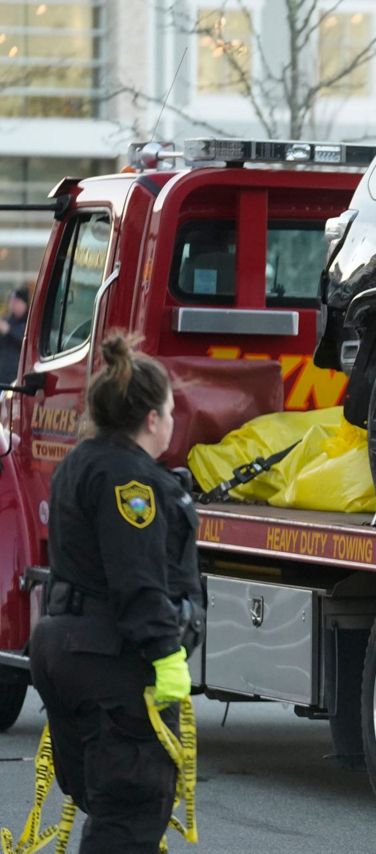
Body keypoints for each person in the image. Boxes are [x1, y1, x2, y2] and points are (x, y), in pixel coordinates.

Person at [29, 333, 205, 854]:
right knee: (131, 806)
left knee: (110, 805)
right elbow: (137, 580)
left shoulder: (81, 463)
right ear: (151, 418)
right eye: (170, 411)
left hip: (65, 646)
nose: (173, 421)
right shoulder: (132, 481)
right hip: (110, 657)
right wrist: (166, 655)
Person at [0, 284, 28, 385]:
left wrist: (8, 331)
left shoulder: (28, 323)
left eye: (16, 302)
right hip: (2, 375)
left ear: (24, 303)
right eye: (11, 301)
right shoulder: (6, 320)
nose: (12, 305)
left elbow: (24, 342)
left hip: (16, 378)